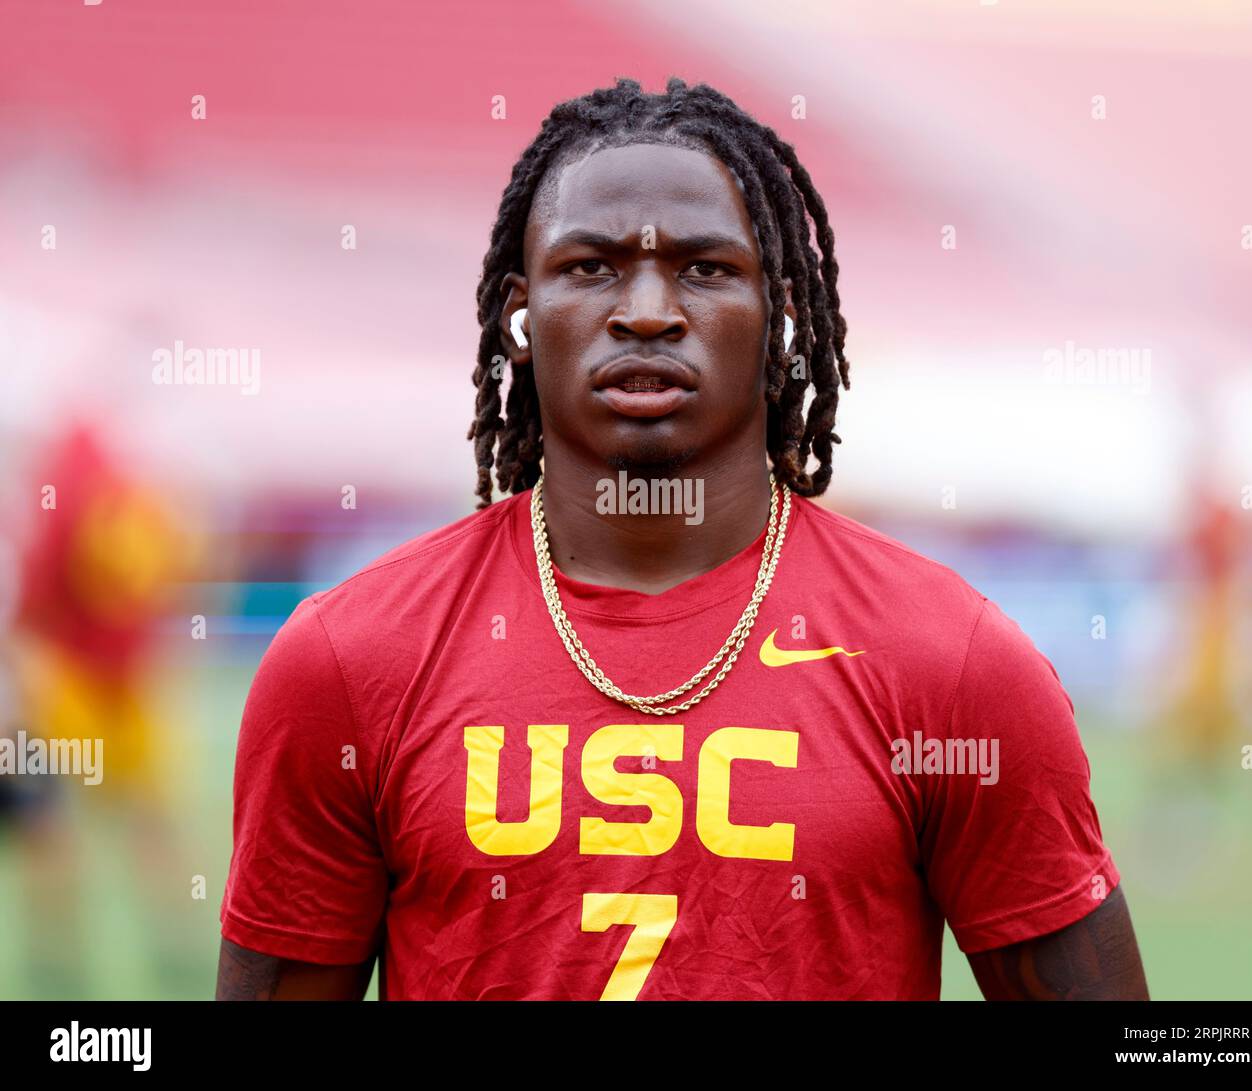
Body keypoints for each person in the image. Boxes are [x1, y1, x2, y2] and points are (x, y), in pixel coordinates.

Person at [216, 77, 1147, 1000]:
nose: (649, 311)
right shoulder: (346, 659)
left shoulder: (954, 661)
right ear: (520, 315)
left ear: (780, 309)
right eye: (591, 267)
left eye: (706, 268)